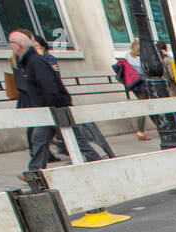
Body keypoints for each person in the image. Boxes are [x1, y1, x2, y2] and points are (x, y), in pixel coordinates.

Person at [10, 29, 96, 175]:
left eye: (11, 43)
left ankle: (97, 163)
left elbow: (49, 85)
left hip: (54, 108)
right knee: (39, 140)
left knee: (77, 141)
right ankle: (35, 172)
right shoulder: (29, 61)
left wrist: (52, 106)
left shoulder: (35, 62)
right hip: (49, 108)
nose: (10, 46)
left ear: (18, 45)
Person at [114, 38, 151, 140]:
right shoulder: (140, 59)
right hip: (142, 84)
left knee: (147, 105)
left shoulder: (127, 56)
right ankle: (140, 131)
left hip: (134, 85)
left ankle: (146, 129)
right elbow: (145, 70)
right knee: (146, 106)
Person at [156, 41, 176, 134]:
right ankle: (175, 130)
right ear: (165, 49)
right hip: (173, 89)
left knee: (174, 113)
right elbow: (173, 76)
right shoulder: (167, 60)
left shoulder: (157, 61)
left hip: (165, 90)